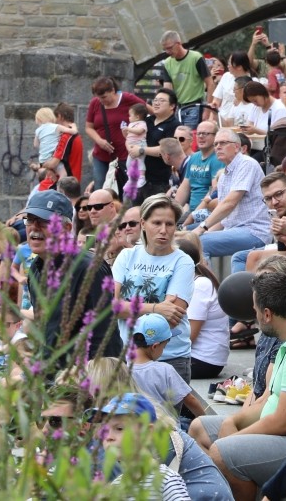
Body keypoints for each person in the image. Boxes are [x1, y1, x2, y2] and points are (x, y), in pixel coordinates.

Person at [189, 270, 286, 500]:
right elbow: (267, 400)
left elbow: (284, 421)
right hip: (285, 435)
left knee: (224, 452)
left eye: (255, 309)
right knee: (199, 428)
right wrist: (232, 420)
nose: (253, 315)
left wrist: (236, 437)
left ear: (267, 314)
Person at [22, 189, 122, 375]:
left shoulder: (89, 269)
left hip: (83, 377)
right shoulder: (36, 267)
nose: (34, 227)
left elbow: (103, 341)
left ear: (67, 229)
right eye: (30, 219)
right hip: (50, 371)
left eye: (44, 221)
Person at [112, 196, 196, 380]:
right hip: (127, 358)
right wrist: (156, 308)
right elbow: (110, 307)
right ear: (143, 223)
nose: (163, 230)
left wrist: (127, 308)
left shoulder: (183, 262)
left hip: (170, 359)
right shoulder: (127, 256)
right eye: (157, 223)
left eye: (170, 224)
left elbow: (170, 318)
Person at [196, 129, 273, 272]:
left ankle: (208, 290)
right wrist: (202, 232)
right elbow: (223, 218)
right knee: (195, 240)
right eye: (216, 144)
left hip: (255, 231)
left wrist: (201, 228)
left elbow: (229, 203)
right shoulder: (224, 176)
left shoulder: (246, 163)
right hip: (236, 229)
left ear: (237, 147)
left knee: (200, 243)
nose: (218, 147)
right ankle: (222, 291)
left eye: (223, 143)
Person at [128, 313, 209, 423]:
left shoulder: (124, 369)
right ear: (155, 346)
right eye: (164, 346)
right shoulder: (165, 370)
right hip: (166, 432)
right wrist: (205, 421)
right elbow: (190, 400)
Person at [175, 234, 231, 379]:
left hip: (203, 361)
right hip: (197, 357)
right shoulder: (190, 282)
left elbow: (189, 336)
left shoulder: (200, 286)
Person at [85, 76, 144, 194]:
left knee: (126, 190)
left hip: (124, 155)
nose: (101, 101)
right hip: (102, 155)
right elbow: (89, 127)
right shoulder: (95, 103)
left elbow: (147, 110)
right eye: (98, 97)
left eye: (104, 97)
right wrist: (99, 141)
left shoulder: (127, 98)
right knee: (100, 189)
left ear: (112, 90)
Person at [158, 31, 215, 127]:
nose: (168, 52)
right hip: (177, 107)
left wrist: (207, 110)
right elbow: (167, 89)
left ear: (178, 43)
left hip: (195, 106)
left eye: (170, 48)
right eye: (165, 49)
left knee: (189, 137)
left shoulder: (195, 58)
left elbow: (210, 84)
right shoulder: (167, 63)